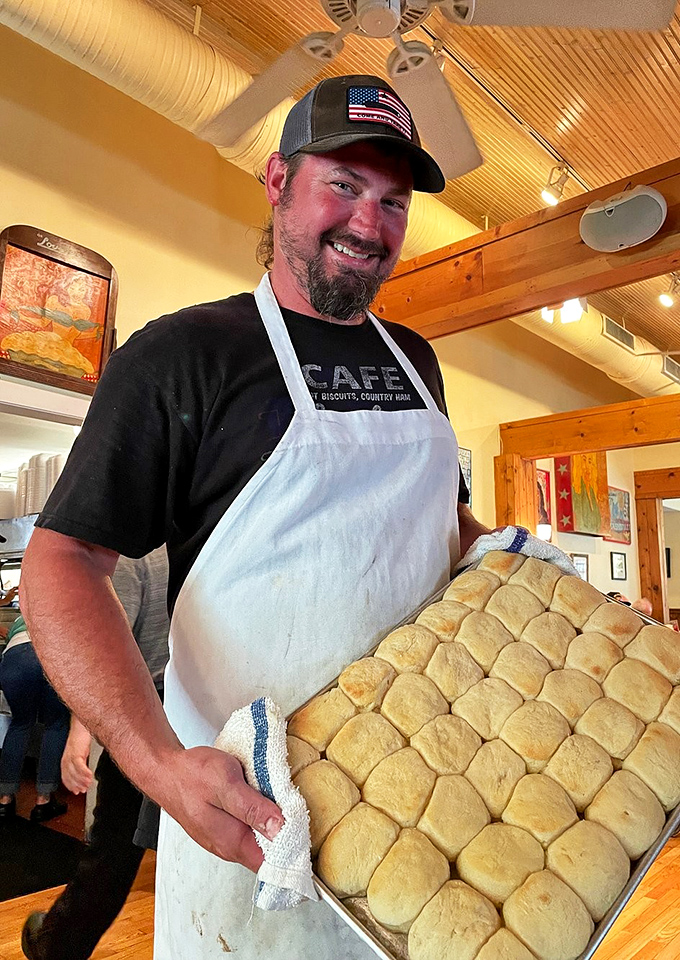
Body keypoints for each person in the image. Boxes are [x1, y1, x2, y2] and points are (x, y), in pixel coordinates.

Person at [19, 74, 491, 959]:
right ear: (277, 182)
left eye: (392, 202)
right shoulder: (182, 356)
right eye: (342, 187)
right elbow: (62, 560)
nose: (368, 224)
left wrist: (512, 569)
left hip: (427, 809)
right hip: (253, 823)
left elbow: (447, 526)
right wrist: (157, 764)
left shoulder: (419, 361)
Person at [21, 547, 169, 960]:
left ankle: (55, 947)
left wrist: (78, 735)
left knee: (112, 848)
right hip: (199, 710)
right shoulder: (188, 546)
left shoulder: (129, 559)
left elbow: (99, 652)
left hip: (146, 716)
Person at [0, 612, 69, 822]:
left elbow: (8, 634)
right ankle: (43, 801)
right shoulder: (66, 606)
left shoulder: (23, 616)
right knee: (55, 724)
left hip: (15, 658)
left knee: (20, 723)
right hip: (53, 654)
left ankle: (4, 800)